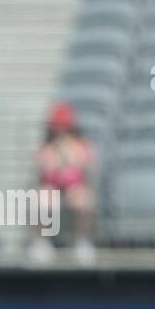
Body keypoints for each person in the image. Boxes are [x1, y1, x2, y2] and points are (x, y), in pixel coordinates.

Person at [34, 101, 97, 264]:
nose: (61, 131)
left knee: (82, 199)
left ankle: (81, 242)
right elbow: (46, 168)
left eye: (64, 126)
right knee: (43, 199)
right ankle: (42, 243)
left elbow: (85, 164)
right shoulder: (47, 146)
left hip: (74, 186)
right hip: (53, 186)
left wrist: (68, 153)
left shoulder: (80, 144)